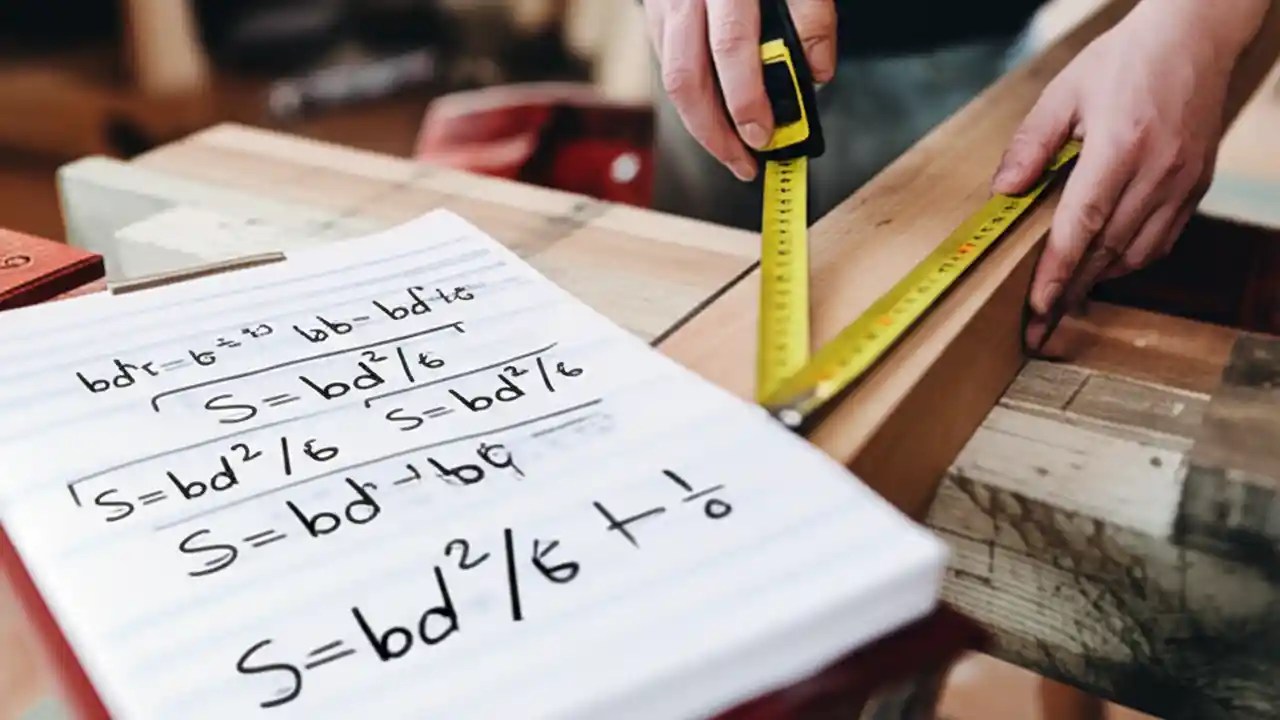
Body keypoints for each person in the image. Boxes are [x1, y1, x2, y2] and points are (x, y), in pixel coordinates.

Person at [643, 0, 1273, 348]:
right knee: (703, 341)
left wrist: (1201, 23)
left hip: (957, 55)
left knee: (946, 340)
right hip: (712, 47)